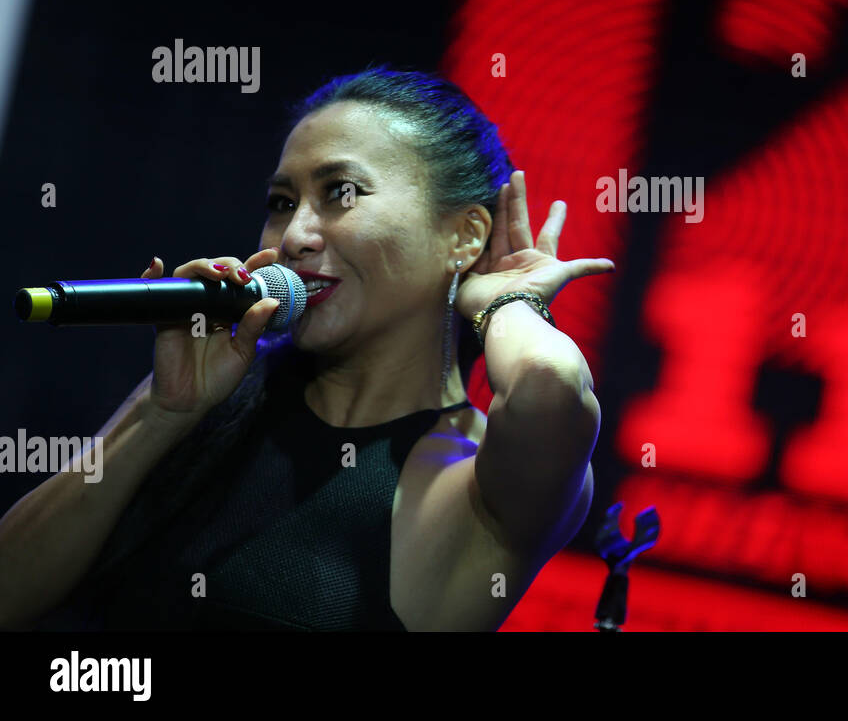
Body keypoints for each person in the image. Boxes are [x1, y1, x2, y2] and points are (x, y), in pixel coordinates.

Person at [0, 66, 614, 631]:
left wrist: (504, 301)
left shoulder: (472, 475)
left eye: (341, 193)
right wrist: (160, 414)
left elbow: (547, 383)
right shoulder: (218, 398)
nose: (294, 235)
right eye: (282, 203)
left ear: (464, 235)